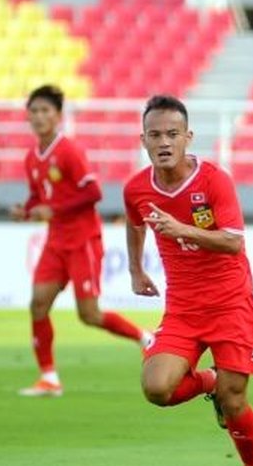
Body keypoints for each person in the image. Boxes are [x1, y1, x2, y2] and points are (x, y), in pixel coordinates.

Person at [123, 95, 253, 466]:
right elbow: (135, 223)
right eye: (155, 135)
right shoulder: (136, 188)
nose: (164, 142)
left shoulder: (214, 180)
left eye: (172, 134)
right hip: (184, 309)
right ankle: (209, 384)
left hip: (231, 305)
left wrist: (182, 229)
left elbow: (232, 242)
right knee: (157, 389)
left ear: (188, 137)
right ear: (143, 140)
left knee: (235, 397)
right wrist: (136, 269)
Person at [12, 84, 151, 397]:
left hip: (83, 240)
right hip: (55, 241)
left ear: (58, 116)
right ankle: (49, 378)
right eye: (33, 111)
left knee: (89, 315)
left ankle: (145, 338)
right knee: (37, 305)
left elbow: (93, 192)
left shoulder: (68, 151)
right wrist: (28, 210)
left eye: (45, 110)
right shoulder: (32, 158)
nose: (39, 116)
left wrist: (52, 208)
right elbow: (39, 196)